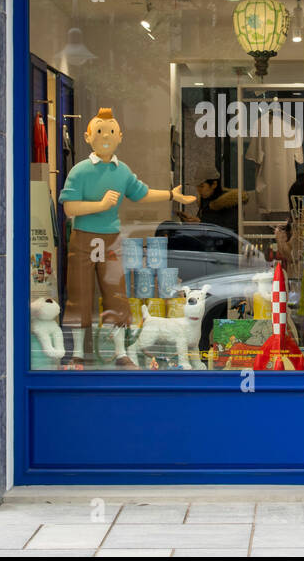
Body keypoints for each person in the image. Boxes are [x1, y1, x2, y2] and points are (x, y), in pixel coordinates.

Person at [59, 108, 197, 368]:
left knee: (116, 295)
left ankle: (122, 353)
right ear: (88, 136)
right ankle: (79, 353)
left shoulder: (122, 171)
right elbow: (69, 208)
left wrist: (171, 195)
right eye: (99, 131)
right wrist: (99, 205)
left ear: (120, 136)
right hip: (83, 238)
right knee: (80, 294)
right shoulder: (79, 171)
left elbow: (140, 193)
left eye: (111, 131)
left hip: (110, 239)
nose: (105, 136)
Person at [178, 171, 245, 231]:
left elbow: (230, 229)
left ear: (214, 184)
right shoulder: (205, 200)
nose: (198, 190)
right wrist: (192, 221)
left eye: (202, 186)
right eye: (197, 186)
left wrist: (201, 223)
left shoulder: (229, 202)